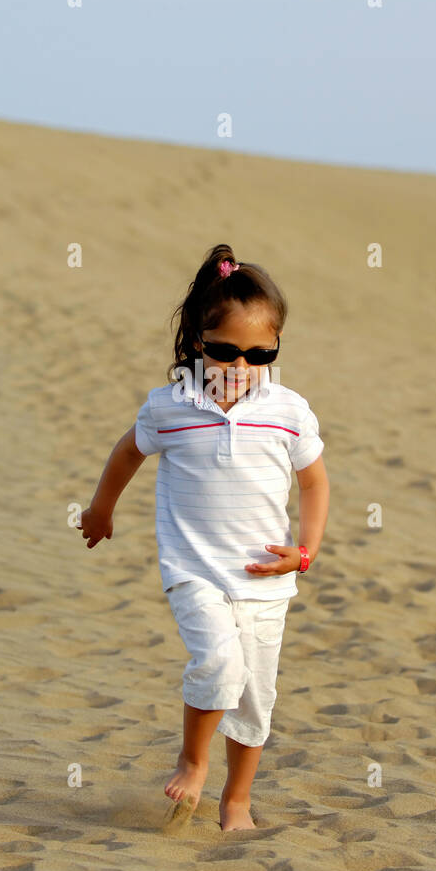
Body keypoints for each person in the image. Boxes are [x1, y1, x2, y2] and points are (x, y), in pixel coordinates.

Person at [79, 244, 329, 831]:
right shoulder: (170, 408)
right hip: (194, 569)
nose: (239, 367)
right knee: (218, 663)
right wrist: (100, 508)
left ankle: (236, 800)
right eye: (223, 351)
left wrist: (307, 551)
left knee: (255, 698)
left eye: (259, 353)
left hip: (266, 580)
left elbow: (315, 484)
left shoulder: (288, 412)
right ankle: (193, 763)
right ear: (196, 342)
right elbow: (127, 452)